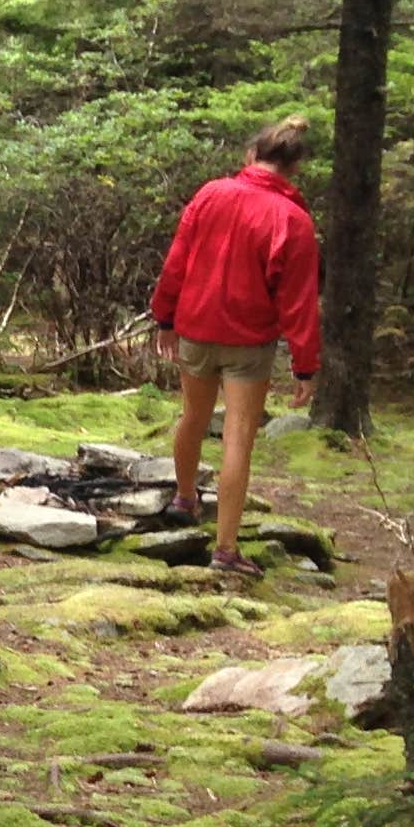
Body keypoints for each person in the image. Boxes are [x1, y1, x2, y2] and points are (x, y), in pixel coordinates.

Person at [149, 116, 323, 579]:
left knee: (193, 415)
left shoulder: (211, 194)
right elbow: (299, 301)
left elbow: (177, 260)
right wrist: (306, 367)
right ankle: (225, 548)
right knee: (238, 437)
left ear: (252, 155)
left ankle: (185, 499)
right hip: (249, 341)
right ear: (295, 167)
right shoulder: (294, 220)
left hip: (195, 327)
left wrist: (164, 317)